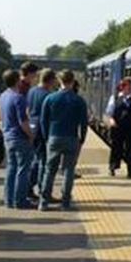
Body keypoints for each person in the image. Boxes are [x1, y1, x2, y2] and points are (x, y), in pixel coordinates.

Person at [39, 70, 88, 210]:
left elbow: (43, 120)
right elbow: (84, 123)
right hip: (72, 138)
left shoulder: (50, 98)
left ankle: (44, 202)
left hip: (53, 137)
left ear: (59, 81)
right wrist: (82, 139)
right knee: (69, 171)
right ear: (72, 82)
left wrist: (46, 137)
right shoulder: (79, 100)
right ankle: (65, 203)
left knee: (49, 171)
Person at [0, 69, 34, 208]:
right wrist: (31, 135)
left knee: (11, 168)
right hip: (19, 137)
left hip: (7, 137)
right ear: (17, 80)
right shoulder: (19, 98)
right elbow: (23, 122)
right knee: (23, 169)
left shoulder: (2, 96)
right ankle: (20, 201)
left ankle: (9, 200)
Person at [27, 69, 58, 197]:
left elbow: (27, 110)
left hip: (32, 126)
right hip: (43, 129)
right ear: (50, 80)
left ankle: (28, 187)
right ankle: (42, 191)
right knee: (43, 162)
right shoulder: (48, 95)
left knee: (36, 159)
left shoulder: (32, 91)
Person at [105, 78, 131, 178]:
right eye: (128, 86)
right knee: (116, 148)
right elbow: (109, 111)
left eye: (130, 86)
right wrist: (111, 120)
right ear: (122, 87)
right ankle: (112, 167)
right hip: (118, 127)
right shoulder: (115, 98)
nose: (130, 88)